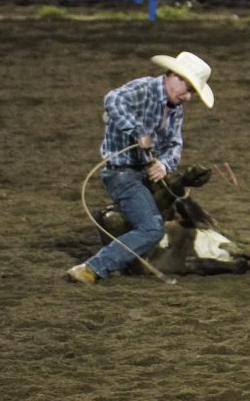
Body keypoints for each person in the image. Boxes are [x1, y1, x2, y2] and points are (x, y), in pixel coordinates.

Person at [66, 51, 215, 284]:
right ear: (174, 76)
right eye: (189, 90)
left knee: (177, 201)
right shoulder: (143, 89)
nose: (188, 97)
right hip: (122, 173)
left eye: (192, 93)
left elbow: (174, 145)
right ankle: (93, 267)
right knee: (152, 228)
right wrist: (139, 131)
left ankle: (126, 238)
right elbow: (112, 100)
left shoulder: (175, 111)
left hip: (145, 174)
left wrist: (164, 165)